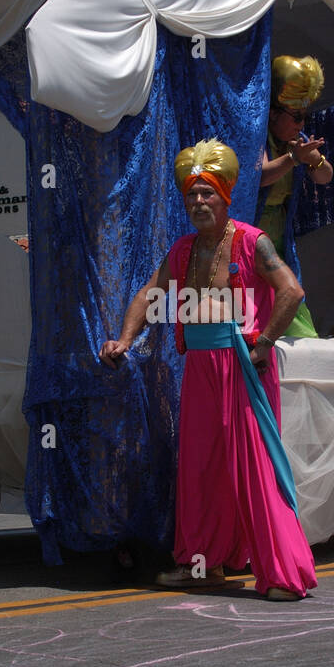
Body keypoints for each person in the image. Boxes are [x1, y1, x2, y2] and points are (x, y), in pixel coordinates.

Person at [99, 138, 316, 600]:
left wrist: (265, 343)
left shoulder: (251, 242)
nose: (199, 202)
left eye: (208, 193)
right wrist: (125, 339)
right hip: (199, 368)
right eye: (192, 195)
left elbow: (292, 291)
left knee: (254, 467)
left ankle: (283, 573)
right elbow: (147, 294)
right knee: (201, 469)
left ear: (225, 196)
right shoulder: (182, 251)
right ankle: (203, 566)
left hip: (242, 365)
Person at [257, 55, 333, 338]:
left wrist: (313, 160)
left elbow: (326, 177)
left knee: (295, 314)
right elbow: (261, 177)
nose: (302, 123)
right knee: (270, 293)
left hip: (279, 232)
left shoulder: (297, 140)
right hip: (252, 232)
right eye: (297, 116)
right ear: (274, 113)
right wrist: (293, 158)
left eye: (305, 117)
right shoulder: (258, 135)